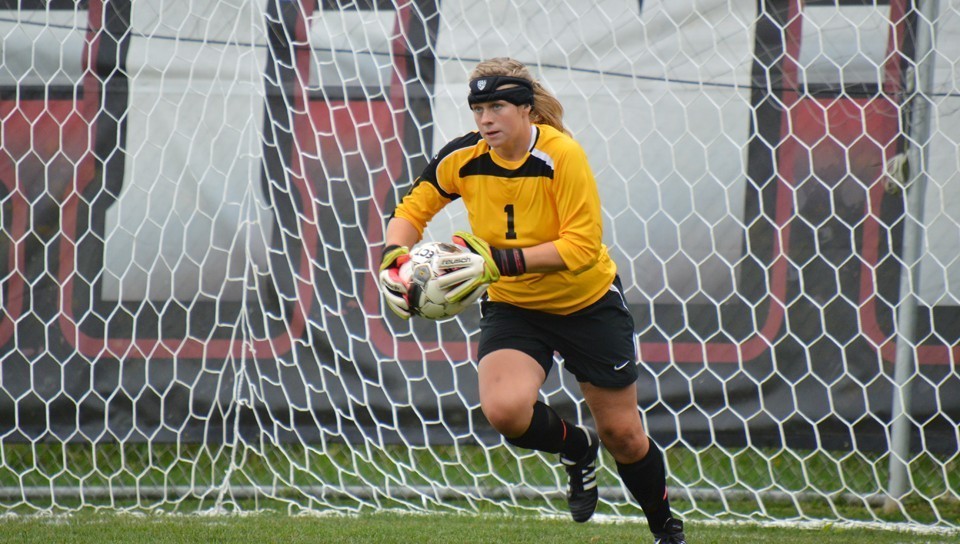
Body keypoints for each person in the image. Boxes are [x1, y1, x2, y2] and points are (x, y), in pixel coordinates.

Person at [378, 57, 687, 544]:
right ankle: (577, 448)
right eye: (478, 108)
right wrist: (394, 257)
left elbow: (581, 248)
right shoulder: (462, 156)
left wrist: (496, 261)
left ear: (526, 109)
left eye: (497, 107)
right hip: (515, 306)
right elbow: (409, 211)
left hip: (587, 303)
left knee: (624, 436)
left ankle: (665, 527)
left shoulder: (562, 155)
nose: (486, 119)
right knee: (505, 410)